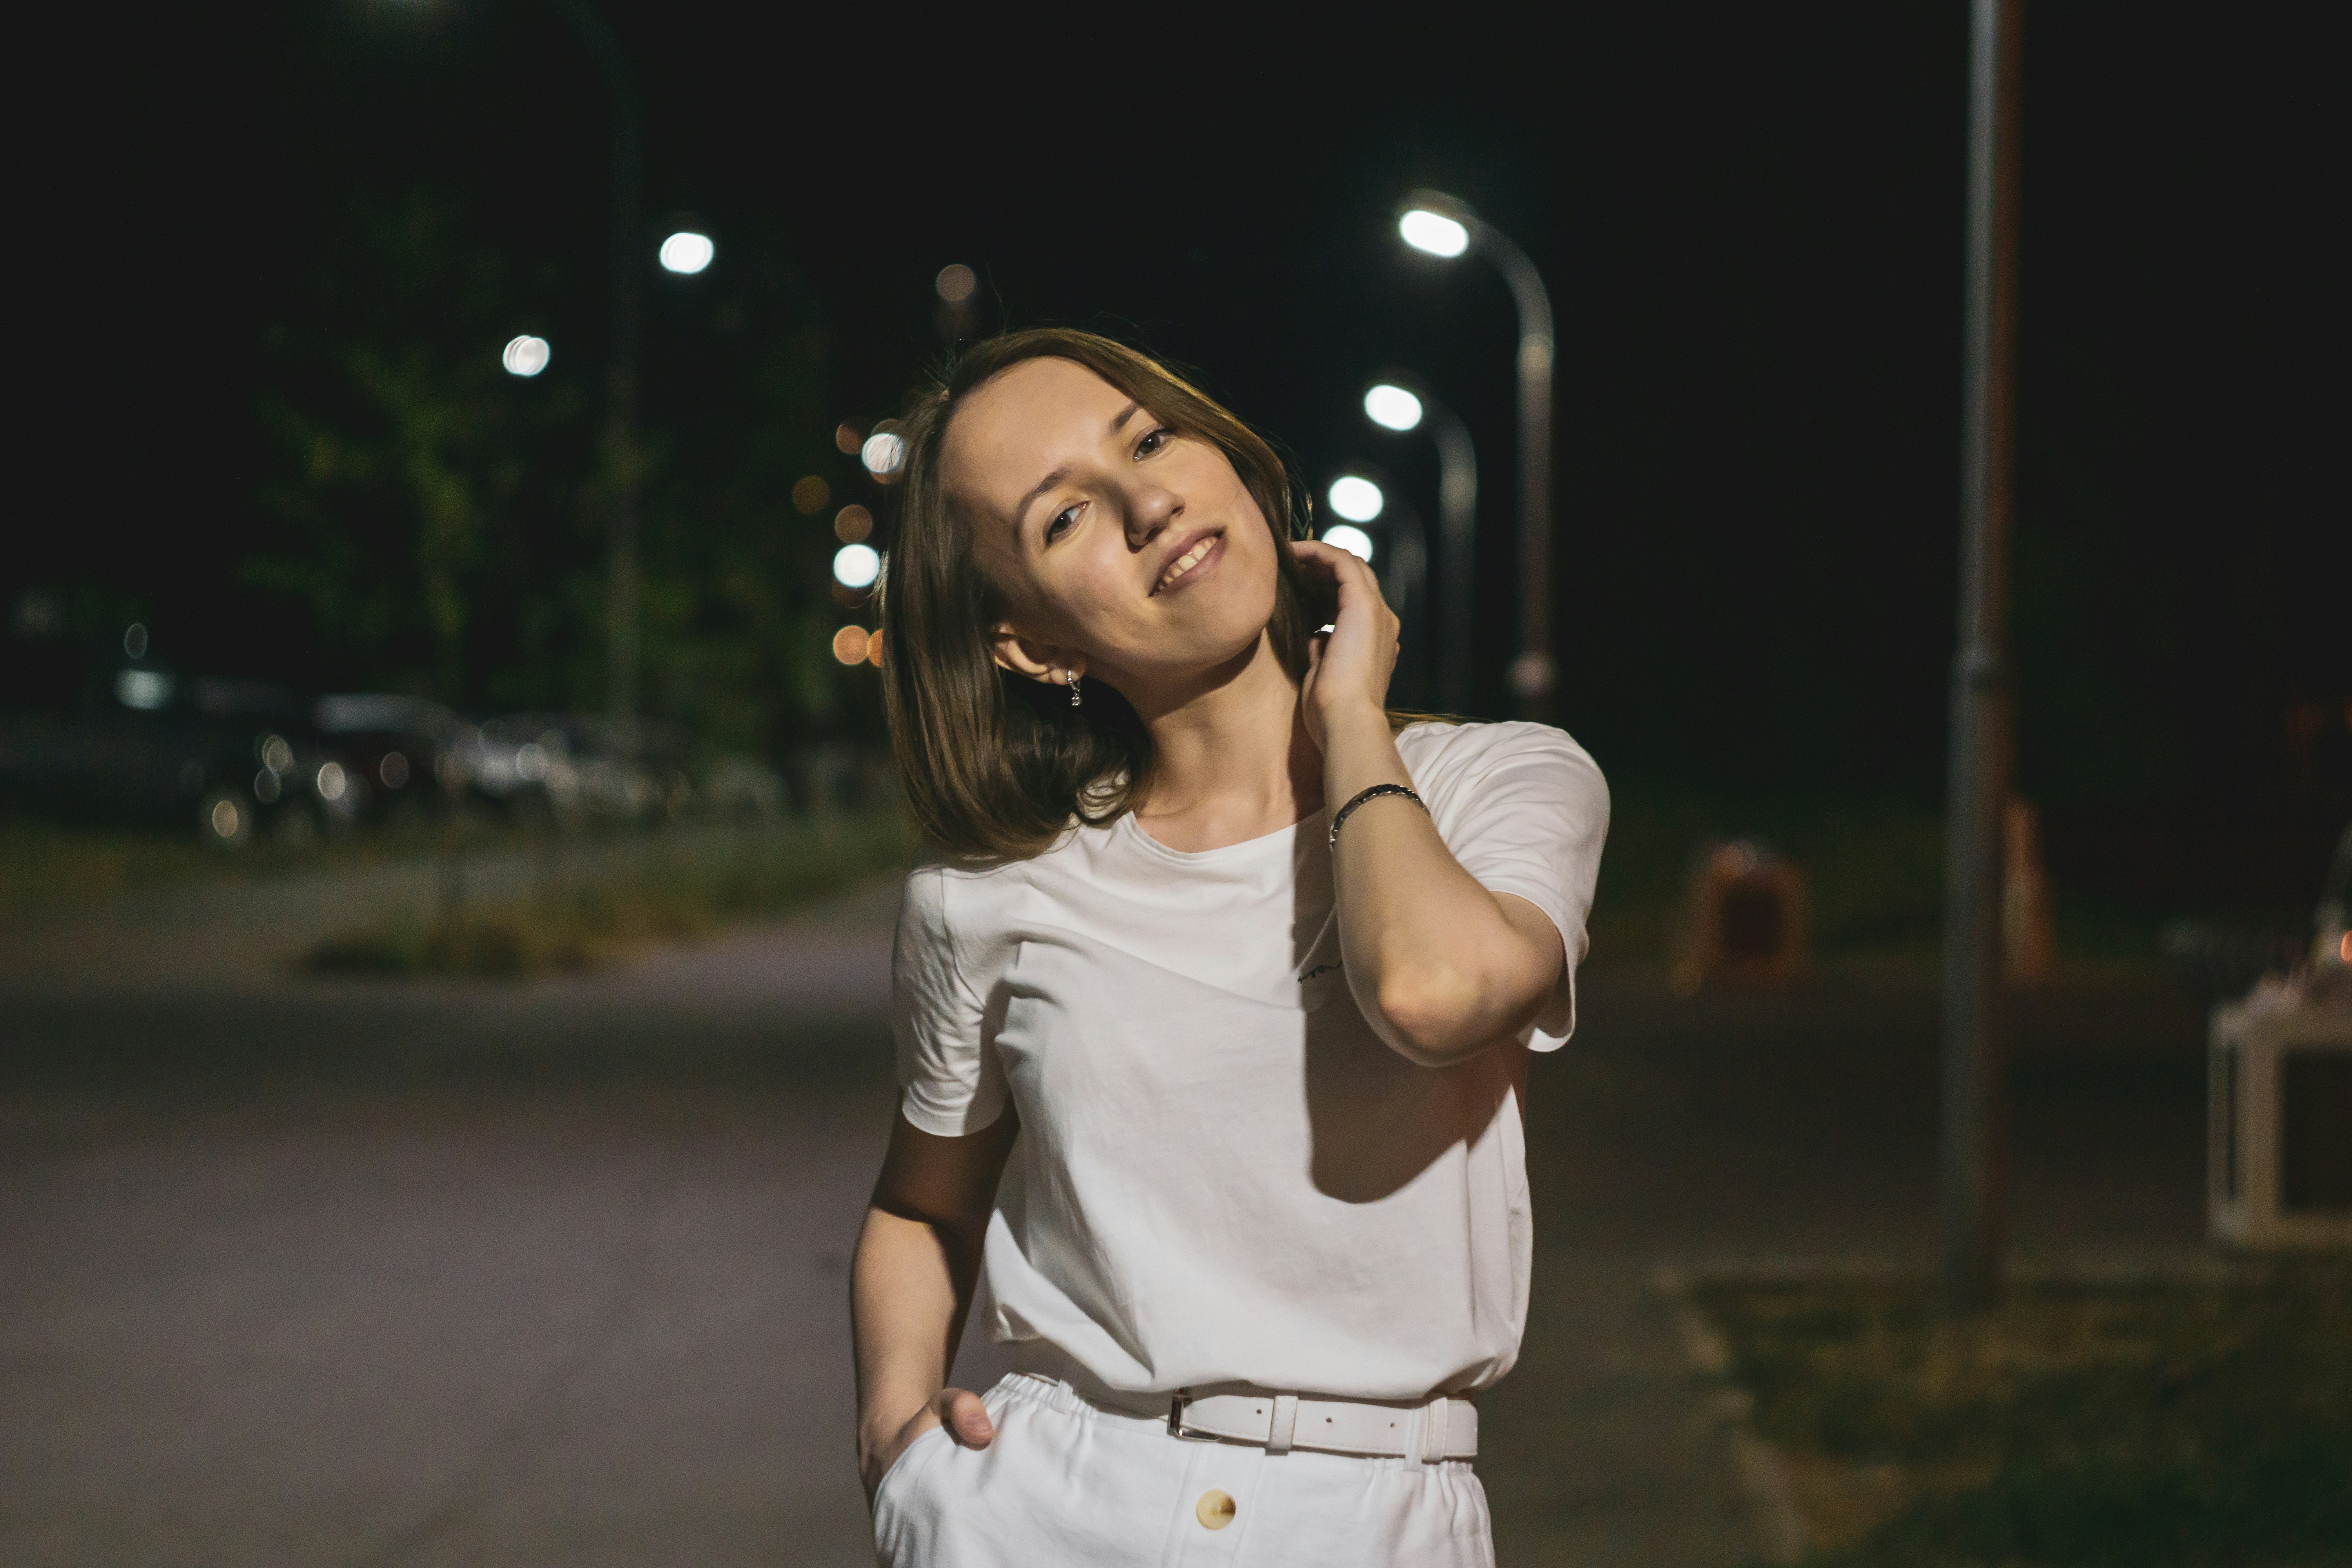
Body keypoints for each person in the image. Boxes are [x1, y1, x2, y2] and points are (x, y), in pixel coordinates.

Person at [851, 328, 1608, 1566]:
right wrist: (897, 1448)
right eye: (1064, 520)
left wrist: (1353, 717)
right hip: (1048, 1508)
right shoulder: (986, 896)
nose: (1148, 503)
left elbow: (1432, 991)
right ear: (1036, 645)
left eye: (1148, 439)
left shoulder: (1501, 783)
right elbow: (920, 1208)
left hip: (1373, 1515)